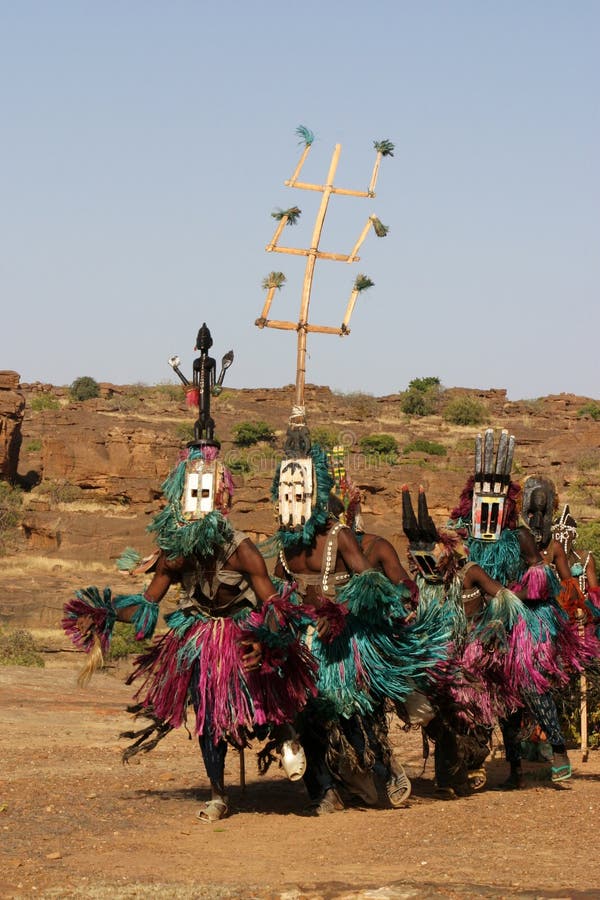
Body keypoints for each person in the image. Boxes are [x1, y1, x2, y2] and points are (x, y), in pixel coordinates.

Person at [64, 442, 317, 823]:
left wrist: (269, 643)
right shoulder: (175, 554)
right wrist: (107, 611)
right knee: (207, 712)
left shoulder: (242, 551)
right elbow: (148, 604)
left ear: (219, 500)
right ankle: (218, 793)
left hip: (241, 633)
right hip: (198, 635)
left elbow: (273, 610)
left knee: (261, 685)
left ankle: (283, 732)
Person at [266, 439, 449, 814]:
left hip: (346, 644)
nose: (293, 506)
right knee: (306, 713)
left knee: (355, 713)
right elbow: (276, 593)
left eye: (300, 497)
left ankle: (382, 766)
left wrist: (344, 608)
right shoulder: (284, 549)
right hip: (306, 642)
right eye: (287, 497)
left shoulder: (342, 538)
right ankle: (322, 788)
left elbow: (376, 584)